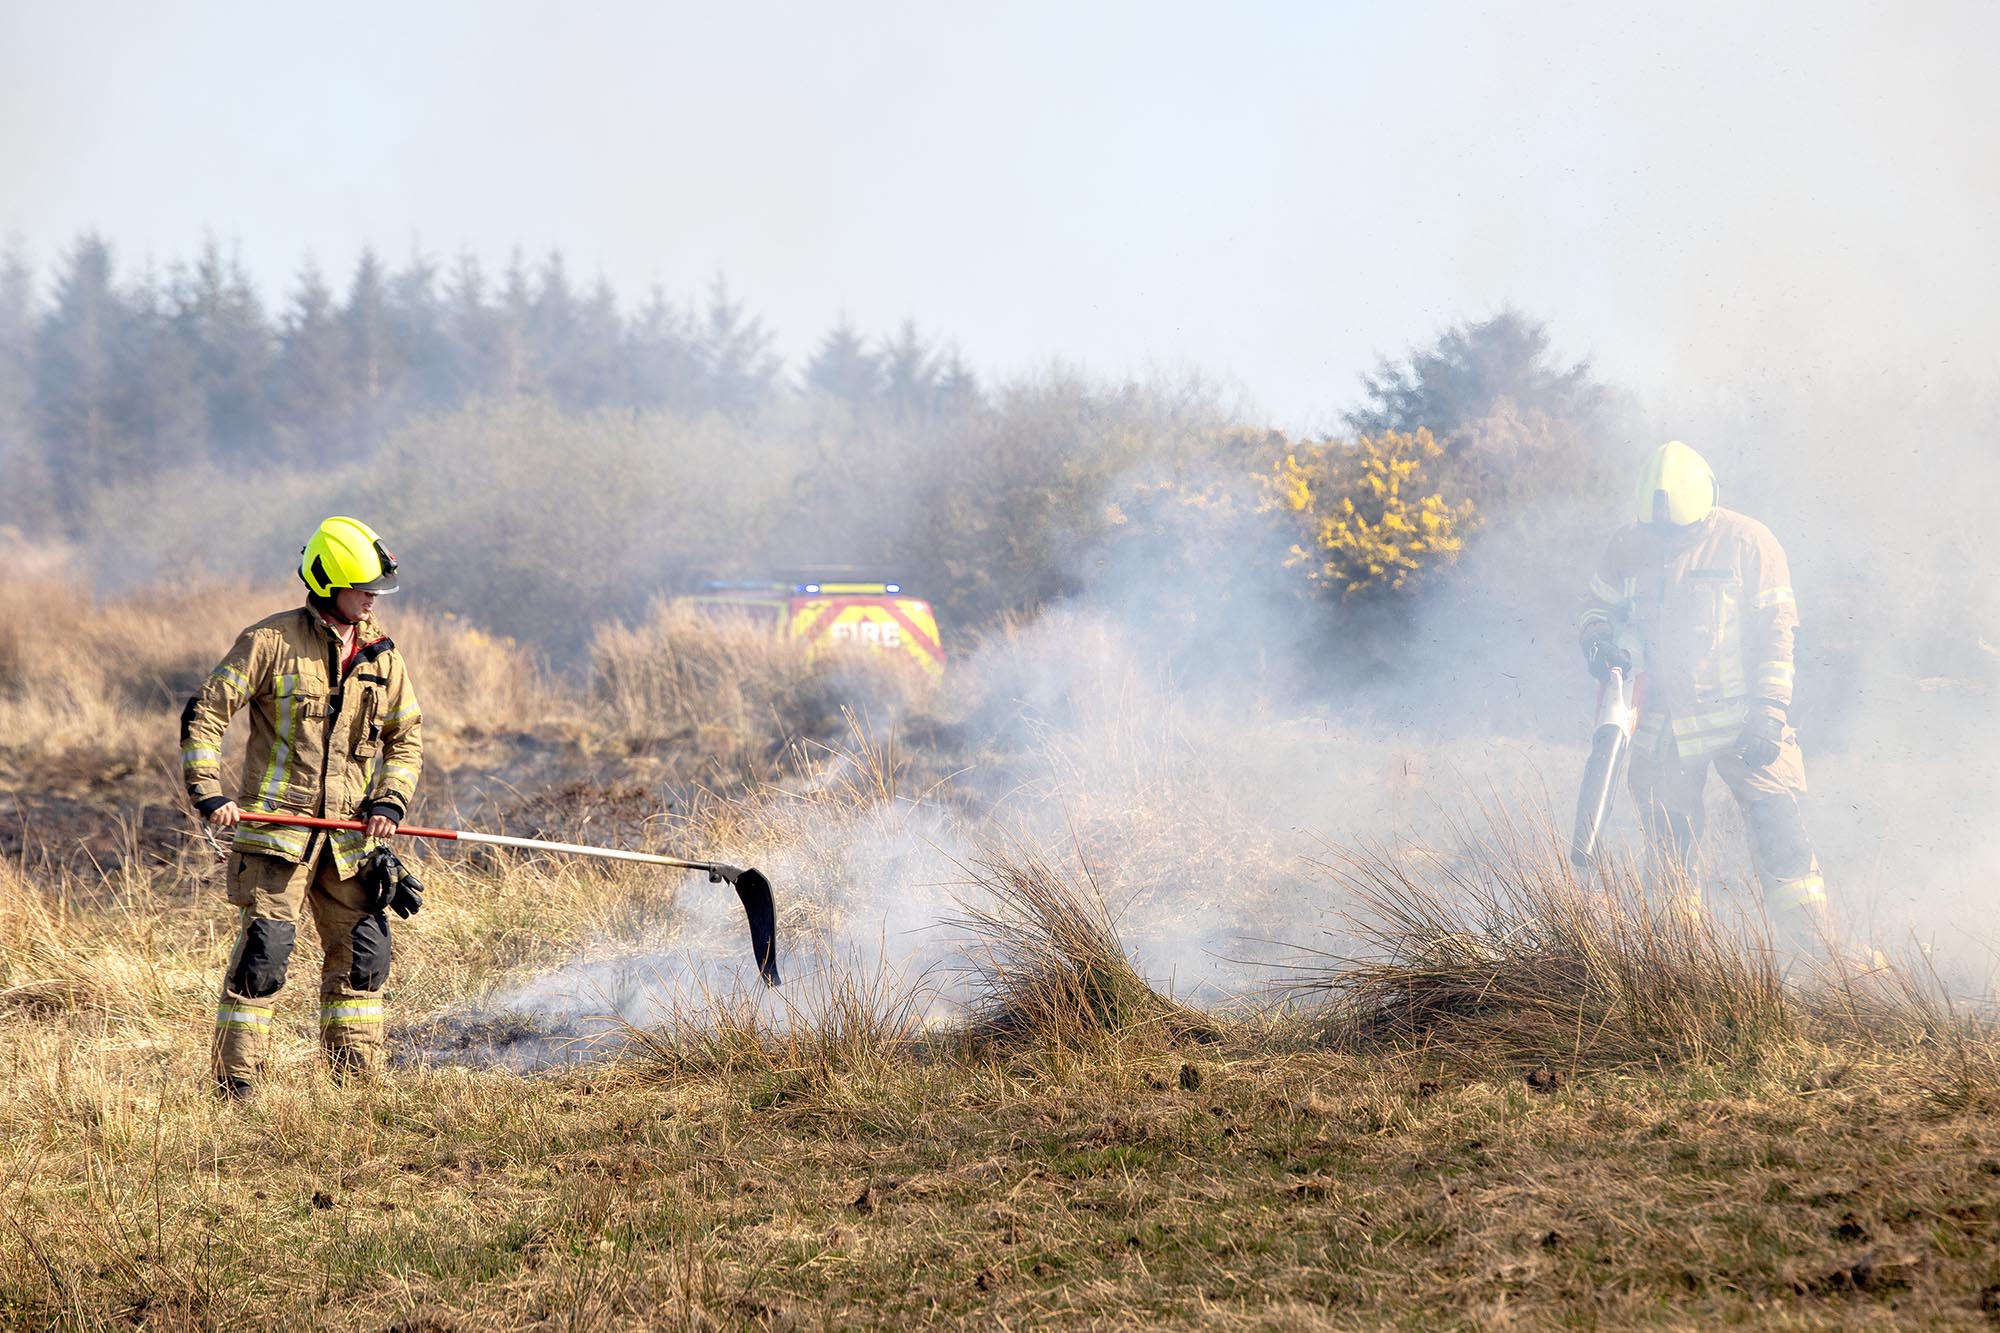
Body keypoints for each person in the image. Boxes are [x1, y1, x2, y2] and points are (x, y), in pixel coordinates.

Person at [181, 516, 424, 1096]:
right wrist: (209, 793)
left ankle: (354, 1085)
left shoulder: (382, 656)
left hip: (350, 841)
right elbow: (206, 713)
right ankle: (237, 1087)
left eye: (376, 590)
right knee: (264, 958)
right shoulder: (270, 641)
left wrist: (389, 802)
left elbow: (406, 739)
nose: (372, 599)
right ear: (328, 584)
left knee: (364, 956)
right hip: (277, 838)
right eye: (363, 588)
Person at [1577, 441, 1829, 951]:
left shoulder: (1749, 543)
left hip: (1743, 721)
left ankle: (1814, 955)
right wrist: (1598, 640)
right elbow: (1595, 608)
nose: (1667, 541)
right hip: (1663, 728)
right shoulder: (1627, 545)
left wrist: (1769, 712)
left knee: (1781, 835)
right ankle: (1680, 963)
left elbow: (1778, 635)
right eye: (1658, 531)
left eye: (1679, 532)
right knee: (1669, 848)